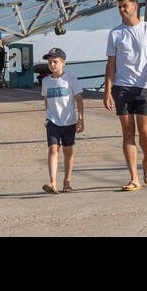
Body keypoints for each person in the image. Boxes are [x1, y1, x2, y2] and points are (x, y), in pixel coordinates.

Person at [103, 0, 147, 191]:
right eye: (120, 7)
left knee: (145, 132)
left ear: (135, 7)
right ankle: (134, 178)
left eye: (125, 6)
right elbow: (111, 64)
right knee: (128, 132)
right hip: (122, 87)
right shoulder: (115, 34)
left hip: (145, 86)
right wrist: (108, 90)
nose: (122, 10)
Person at [40, 47, 83, 194]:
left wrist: (81, 119)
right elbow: (46, 101)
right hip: (52, 121)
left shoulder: (70, 79)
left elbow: (78, 99)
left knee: (68, 151)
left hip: (69, 121)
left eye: (55, 62)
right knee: (53, 149)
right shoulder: (46, 81)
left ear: (63, 62)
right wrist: (47, 117)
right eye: (50, 62)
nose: (52, 65)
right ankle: (53, 182)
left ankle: (67, 182)